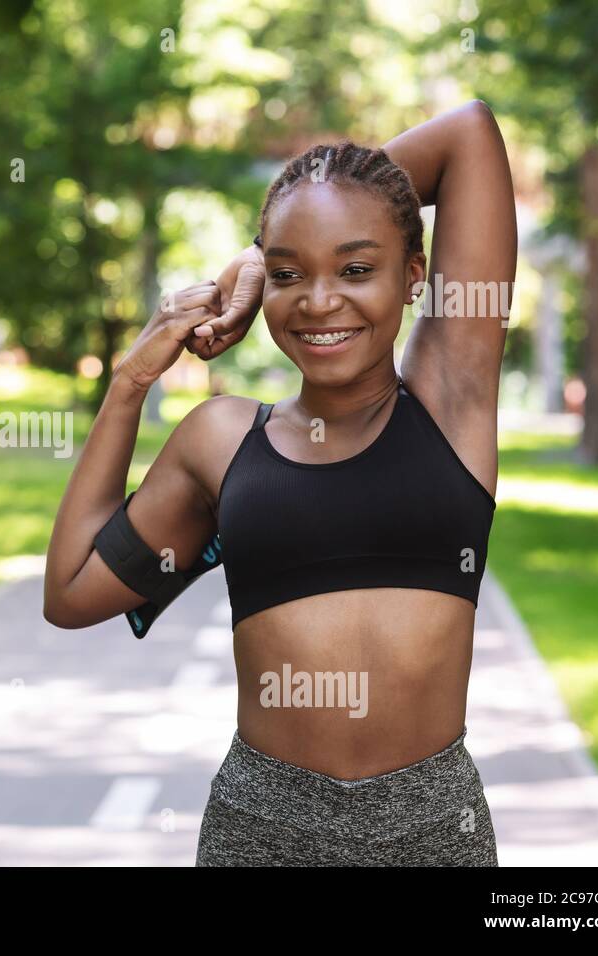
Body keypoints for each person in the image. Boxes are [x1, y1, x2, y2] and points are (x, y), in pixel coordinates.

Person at [43, 100, 516, 866]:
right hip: (261, 827)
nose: (319, 301)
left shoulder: (449, 397)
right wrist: (130, 382)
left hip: (434, 826)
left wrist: (259, 252)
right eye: (290, 275)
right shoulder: (223, 440)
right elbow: (70, 592)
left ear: (414, 276)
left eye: (355, 269)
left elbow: (468, 133)